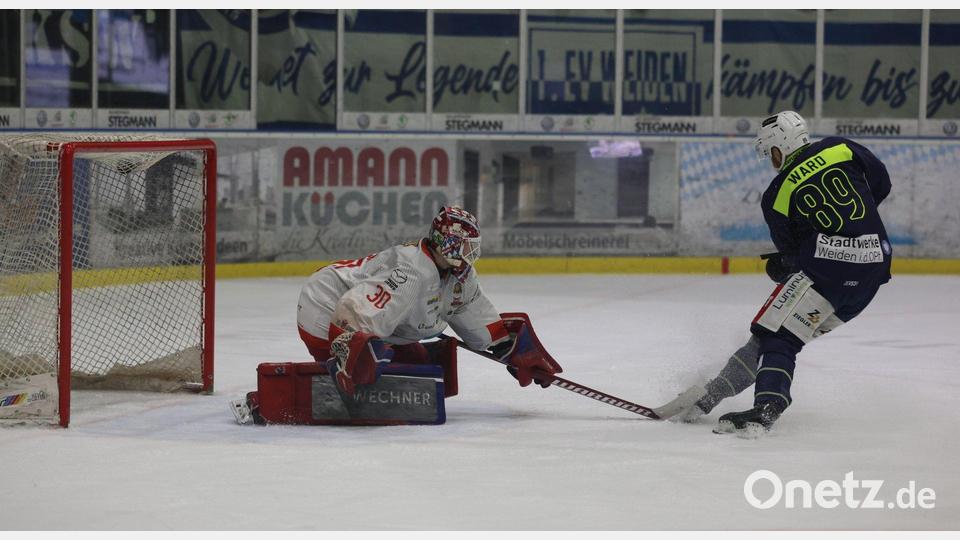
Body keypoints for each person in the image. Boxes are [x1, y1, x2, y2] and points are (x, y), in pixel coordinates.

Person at [655, 110, 893, 436]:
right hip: (872, 271)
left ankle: (767, 408)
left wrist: (784, 265)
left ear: (781, 145)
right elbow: (881, 183)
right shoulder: (841, 147)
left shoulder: (777, 194)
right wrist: (857, 228)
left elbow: (793, 256)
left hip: (826, 274)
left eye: (771, 152)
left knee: (777, 337)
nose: (771, 159)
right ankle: (710, 396)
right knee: (774, 337)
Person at [296, 205, 561, 397]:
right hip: (324, 305)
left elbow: (469, 309)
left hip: (365, 319)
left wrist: (510, 347)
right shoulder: (412, 271)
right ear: (448, 245)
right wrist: (348, 355)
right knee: (371, 371)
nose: (472, 254)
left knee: (421, 366)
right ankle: (329, 384)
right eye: (467, 247)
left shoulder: (459, 275)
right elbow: (353, 311)